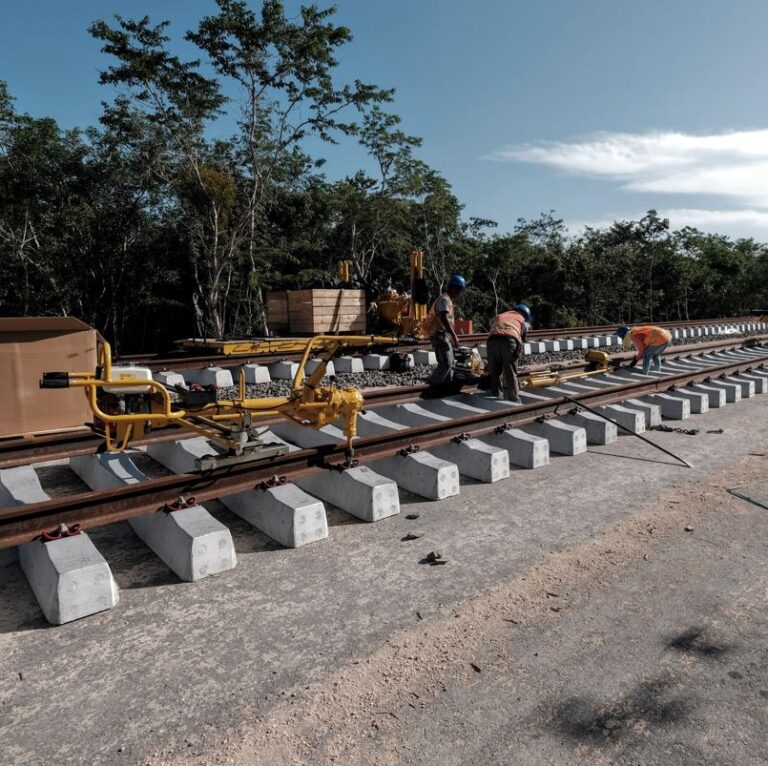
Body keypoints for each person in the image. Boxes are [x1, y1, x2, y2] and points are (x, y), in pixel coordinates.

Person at [421, 275, 466, 384]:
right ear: (453, 288)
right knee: (446, 364)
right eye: (459, 290)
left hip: (442, 335)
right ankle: (434, 388)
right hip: (439, 334)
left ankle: (446, 387)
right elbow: (444, 318)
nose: (459, 293)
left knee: (449, 364)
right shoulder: (444, 299)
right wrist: (454, 336)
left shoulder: (447, 300)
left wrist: (451, 336)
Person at [487, 303, 531, 402]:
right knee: (511, 371)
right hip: (509, 341)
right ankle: (514, 398)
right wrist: (519, 350)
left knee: (495, 371)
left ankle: (496, 395)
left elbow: (492, 327)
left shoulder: (500, 315)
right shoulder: (521, 319)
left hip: (492, 341)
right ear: (524, 314)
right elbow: (523, 339)